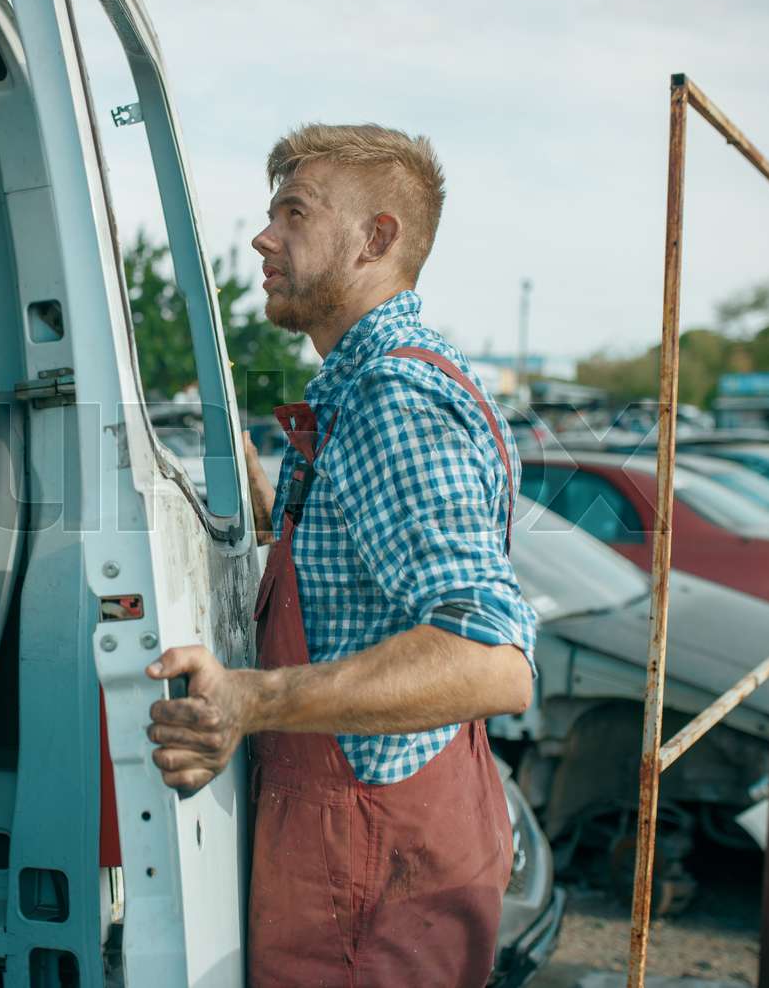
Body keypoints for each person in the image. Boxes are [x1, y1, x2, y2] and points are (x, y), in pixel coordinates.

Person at [144, 124, 537, 987]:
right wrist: (270, 517)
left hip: (370, 872)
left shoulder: (391, 396)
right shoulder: (392, 377)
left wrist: (251, 697)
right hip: (396, 836)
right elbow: (369, 587)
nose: (262, 238)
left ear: (377, 237)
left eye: (293, 211)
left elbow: (491, 659)